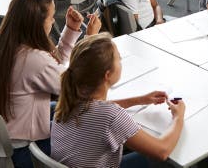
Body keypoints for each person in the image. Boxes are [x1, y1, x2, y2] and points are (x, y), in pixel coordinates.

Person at [0, 0, 101, 168]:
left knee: (63, 111)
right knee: (91, 133)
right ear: (36, 24)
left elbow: (52, 67)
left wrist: (71, 30)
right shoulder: (33, 59)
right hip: (20, 153)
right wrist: (91, 39)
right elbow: (77, 86)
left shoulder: (4, 46)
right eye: (51, 17)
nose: (53, 21)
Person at [51, 33, 185, 168]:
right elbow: (162, 150)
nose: (121, 61)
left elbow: (99, 110)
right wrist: (178, 116)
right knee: (166, 162)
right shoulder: (111, 116)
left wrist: (140, 100)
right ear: (107, 75)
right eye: (119, 59)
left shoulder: (70, 99)